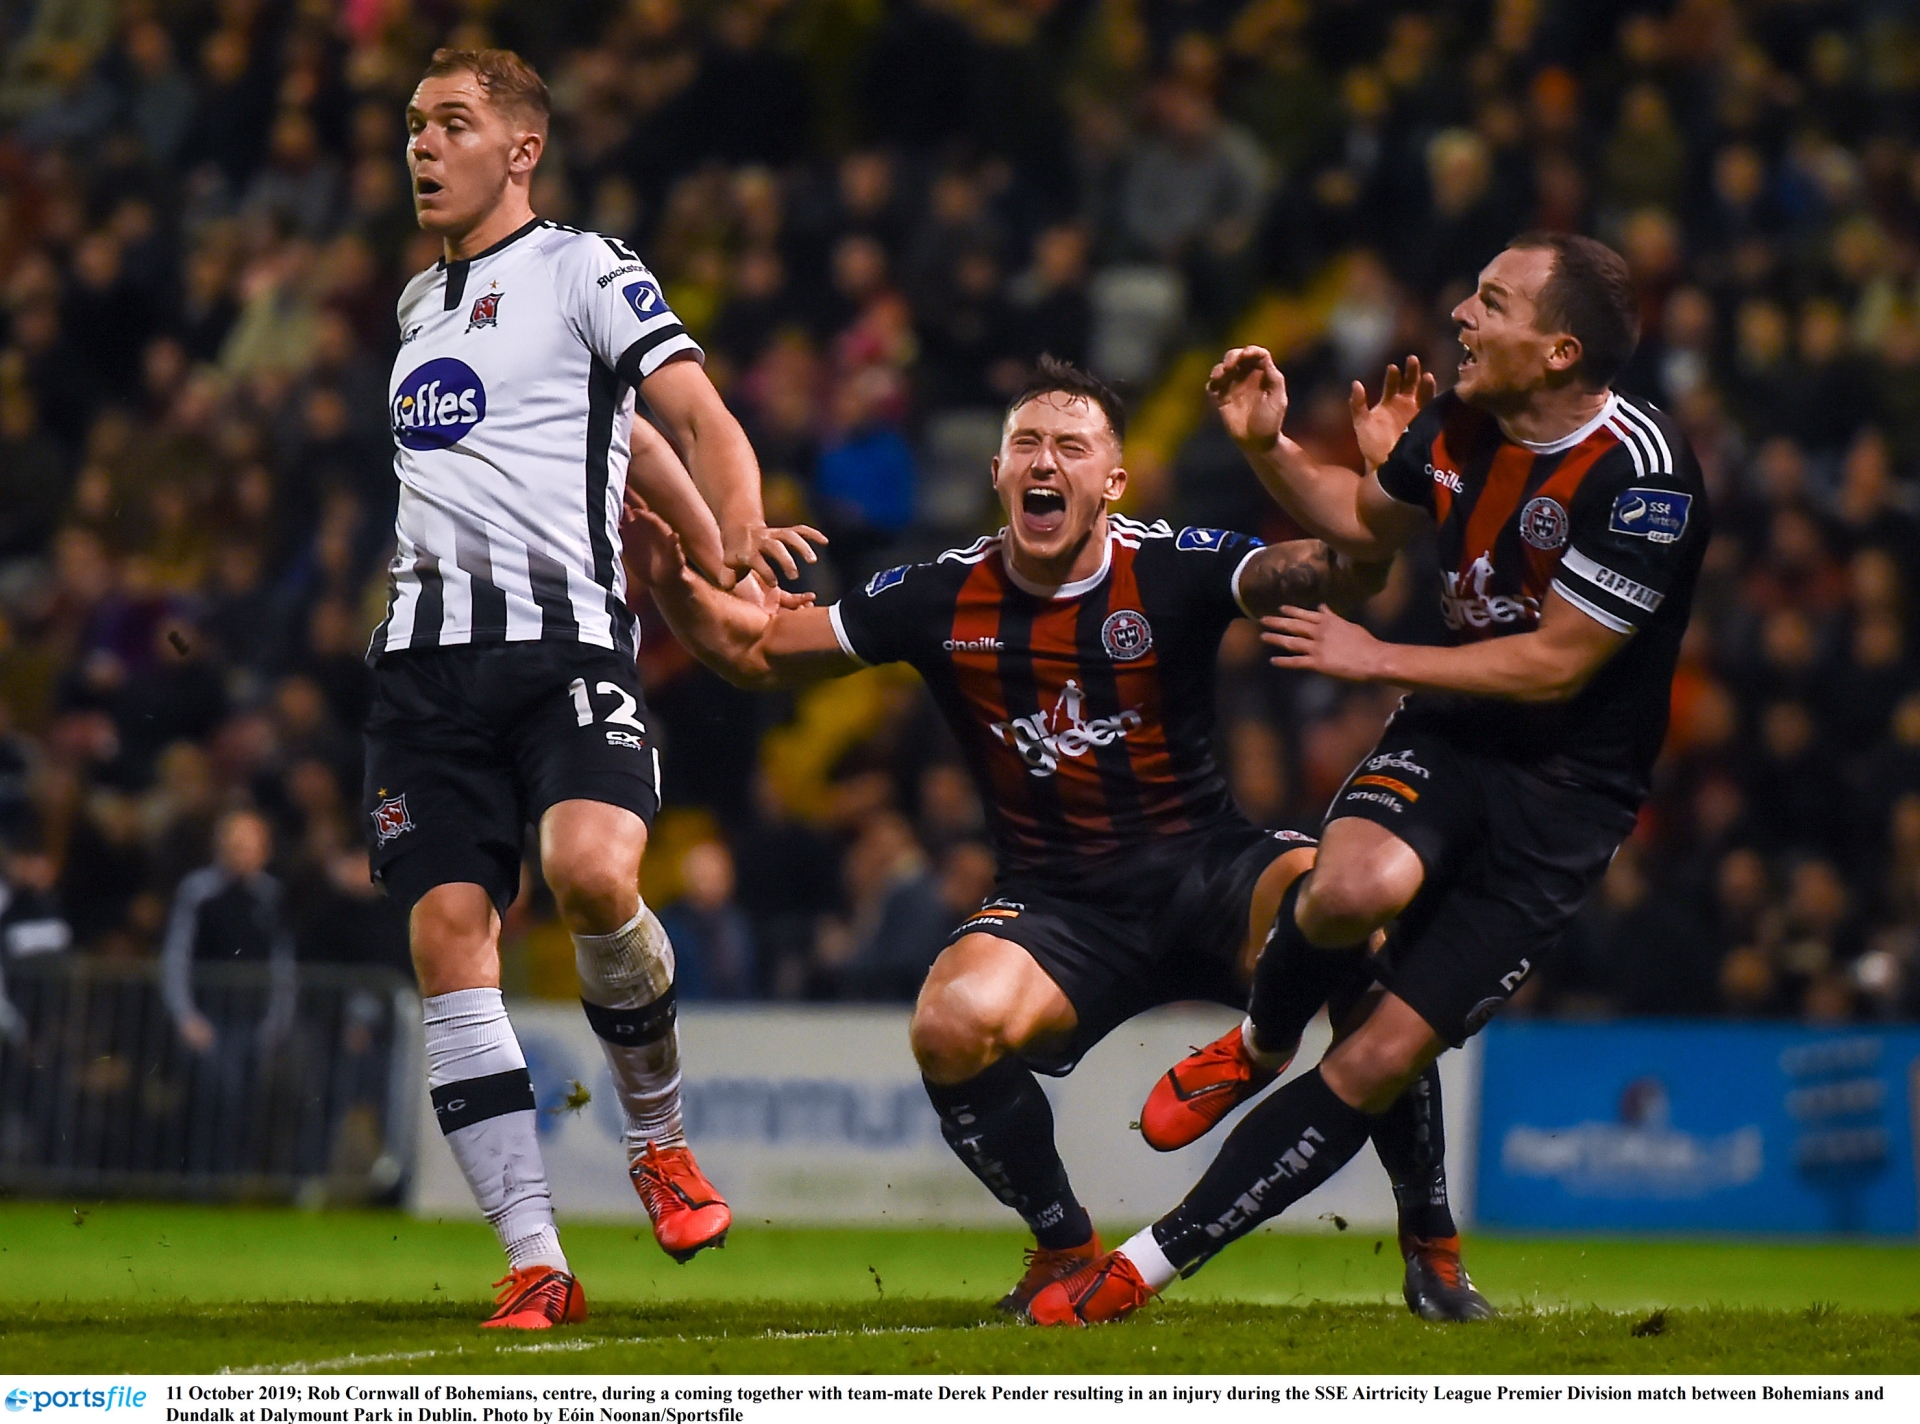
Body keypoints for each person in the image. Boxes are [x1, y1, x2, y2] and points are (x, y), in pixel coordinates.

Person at [625, 356, 1481, 1318]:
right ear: (996, 475)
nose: (1046, 461)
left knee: (1344, 922)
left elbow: (1342, 576)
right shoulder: (939, 594)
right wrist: (671, 583)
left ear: (1112, 482)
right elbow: (756, 650)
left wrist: (1376, 498)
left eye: (1072, 446)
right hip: (1059, 906)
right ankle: (1064, 1248)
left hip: (1213, 866)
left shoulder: (1176, 561)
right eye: (1026, 444)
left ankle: (1433, 1245)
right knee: (949, 1028)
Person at [1027, 232, 1709, 1325]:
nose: (1462, 318)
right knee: (1345, 889)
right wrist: (1268, 446)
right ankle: (1255, 1043)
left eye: (1492, 303)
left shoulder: (1645, 477)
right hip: (1451, 733)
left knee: (1383, 1050)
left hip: (1566, 797)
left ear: (1561, 348)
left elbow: (1556, 661)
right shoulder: (1459, 421)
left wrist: (1372, 654)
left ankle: (1143, 1266)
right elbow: (1361, 517)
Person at [365, 47, 814, 1331]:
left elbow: (691, 413)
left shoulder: (587, 268)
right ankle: (533, 1258)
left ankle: (659, 1138)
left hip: (564, 650)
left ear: (520, 150)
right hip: (419, 678)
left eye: (451, 124)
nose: (422, 146)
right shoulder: (412, 310)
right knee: (451, 934)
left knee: (593, 873)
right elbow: (613, 446)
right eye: (412, 125)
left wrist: (737, 532)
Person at [160, 808, 296, 1174]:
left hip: (253, 1019)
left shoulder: (271, 896)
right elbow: (177, 957)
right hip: (210, 1017)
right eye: (234, 844)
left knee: (249, 1105)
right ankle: (205, 1182)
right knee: (214, 1099)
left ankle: (235, 1181)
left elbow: (283, 965)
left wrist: (277, 1020)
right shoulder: (198, 892)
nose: (240, 853)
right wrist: (186, 1017)